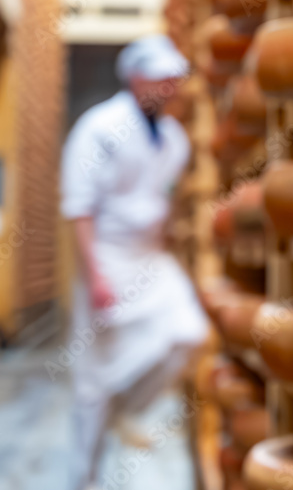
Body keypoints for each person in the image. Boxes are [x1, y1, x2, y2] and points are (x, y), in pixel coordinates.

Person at [60, 34, 209, 489]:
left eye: (173, 79)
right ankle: (83, 476)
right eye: (161, 78)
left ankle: (127, 409)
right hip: (106, 256)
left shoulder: (174, 139)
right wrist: (95, 275)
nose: (169, 87)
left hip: (150, 258)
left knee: (189, 332)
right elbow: (80, 207)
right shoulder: (98, 127)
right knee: (93, 383)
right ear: (136, 78)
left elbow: (163, 202)